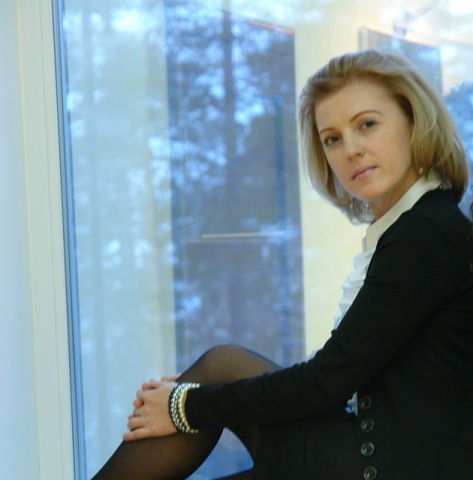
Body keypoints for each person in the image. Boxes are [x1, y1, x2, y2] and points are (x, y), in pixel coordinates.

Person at [92, 49, 473, 480]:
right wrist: (196, 399)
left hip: (378, 465)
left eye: (367, 124)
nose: (351, 150)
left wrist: (185, 405)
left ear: (413, 121)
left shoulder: (425, 236)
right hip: (373, 449)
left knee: (218, 370)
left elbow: (327, 382)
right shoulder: (418, 224)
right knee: (221, 368)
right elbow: (342, 373)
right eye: (332, 139)